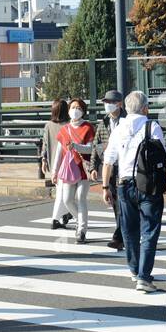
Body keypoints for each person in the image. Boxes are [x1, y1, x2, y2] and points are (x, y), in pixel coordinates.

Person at [102, 91, 166, 293]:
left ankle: (134, 269)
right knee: (149, 231)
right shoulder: (152, 126)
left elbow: (108, 161)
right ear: (145, 108)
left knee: (129, 230)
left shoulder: (118, 129)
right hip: (147, 185)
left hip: (124, 184)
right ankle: (144, 277)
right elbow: (162, 155)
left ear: (126, 108)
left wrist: (105, 187)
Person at [52, 97, 97, 245]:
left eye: (78, 108)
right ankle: (79, 219)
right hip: (68, 170)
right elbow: (59, 152)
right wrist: (54, 172)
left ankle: (82, 230)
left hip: (83, 169)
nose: (75, 110)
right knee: (67, 200)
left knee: (81, 198)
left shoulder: (88, 127)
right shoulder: (64, 129)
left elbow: (91, 148)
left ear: (83, 111)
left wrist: (76, 146)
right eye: (72, 107)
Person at [94, 89, 127, 250]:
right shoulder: (103, 123)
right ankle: (122, 235)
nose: (107, 105)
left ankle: (119, 237)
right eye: (106, 102)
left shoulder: (127, 121)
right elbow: (96, 145)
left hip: (125, 167)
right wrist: (93, 167)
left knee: (122, 203)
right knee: (115, 204)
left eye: (110, 102)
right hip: (110, 168)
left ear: (119, 104)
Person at [43, 98, 72, 228]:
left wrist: (44, 160)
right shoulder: (70, 125)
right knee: (65, 192)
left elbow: (45, 144)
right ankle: (59, 217)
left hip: (54, 162)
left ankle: (64, 215)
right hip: (67, 163)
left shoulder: (48, 125)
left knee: (61, 191)